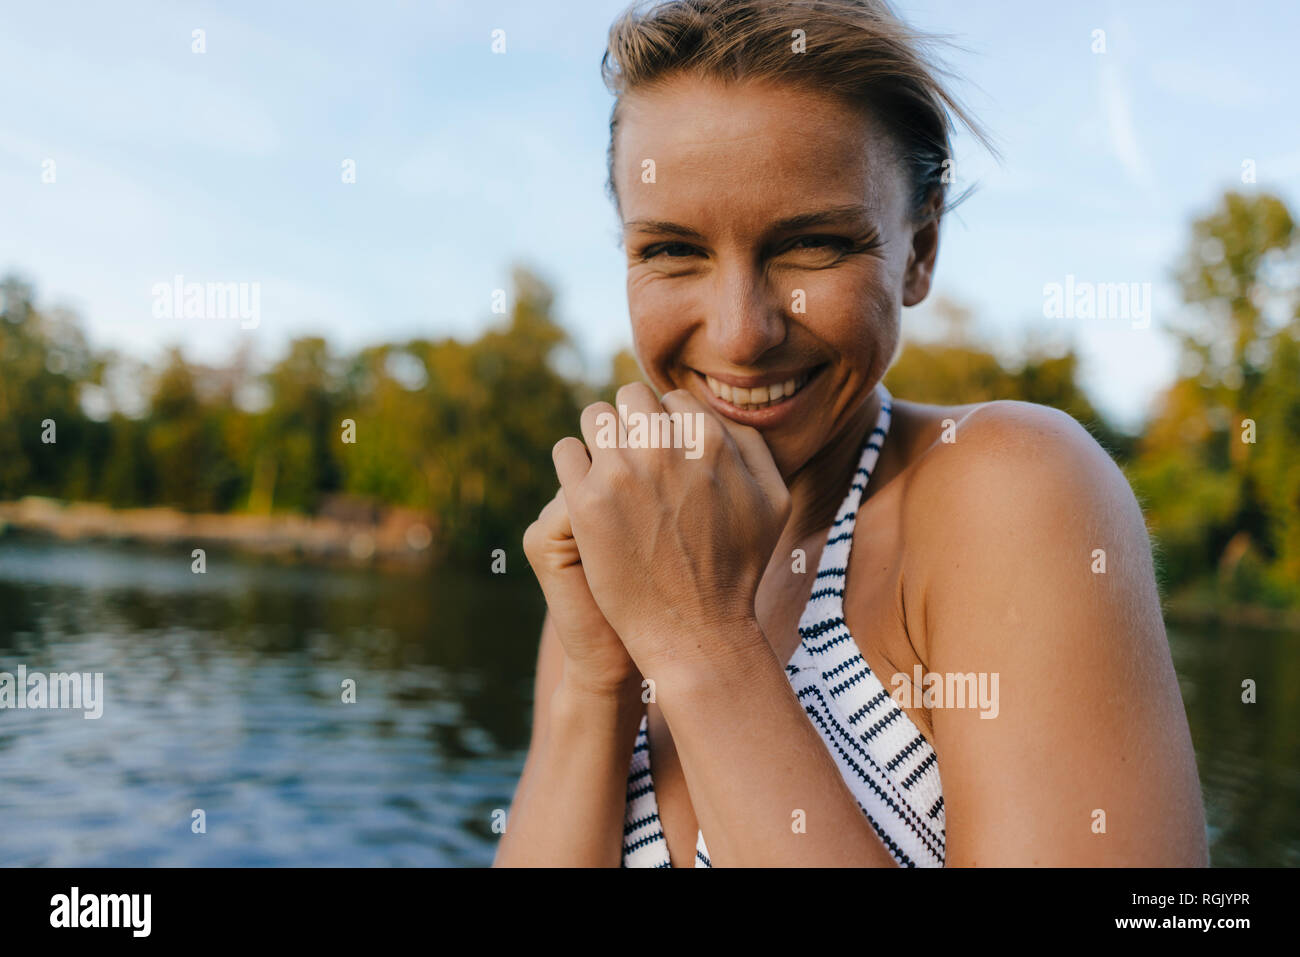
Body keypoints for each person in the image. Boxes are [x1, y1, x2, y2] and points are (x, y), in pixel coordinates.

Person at [494, 0, 1207, 867]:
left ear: (919, 249)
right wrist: (596, 683)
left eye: (813, 245)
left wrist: (703, 643)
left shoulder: (1013, 491)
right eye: (673, 250)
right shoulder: (621, 550)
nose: (741, 332)